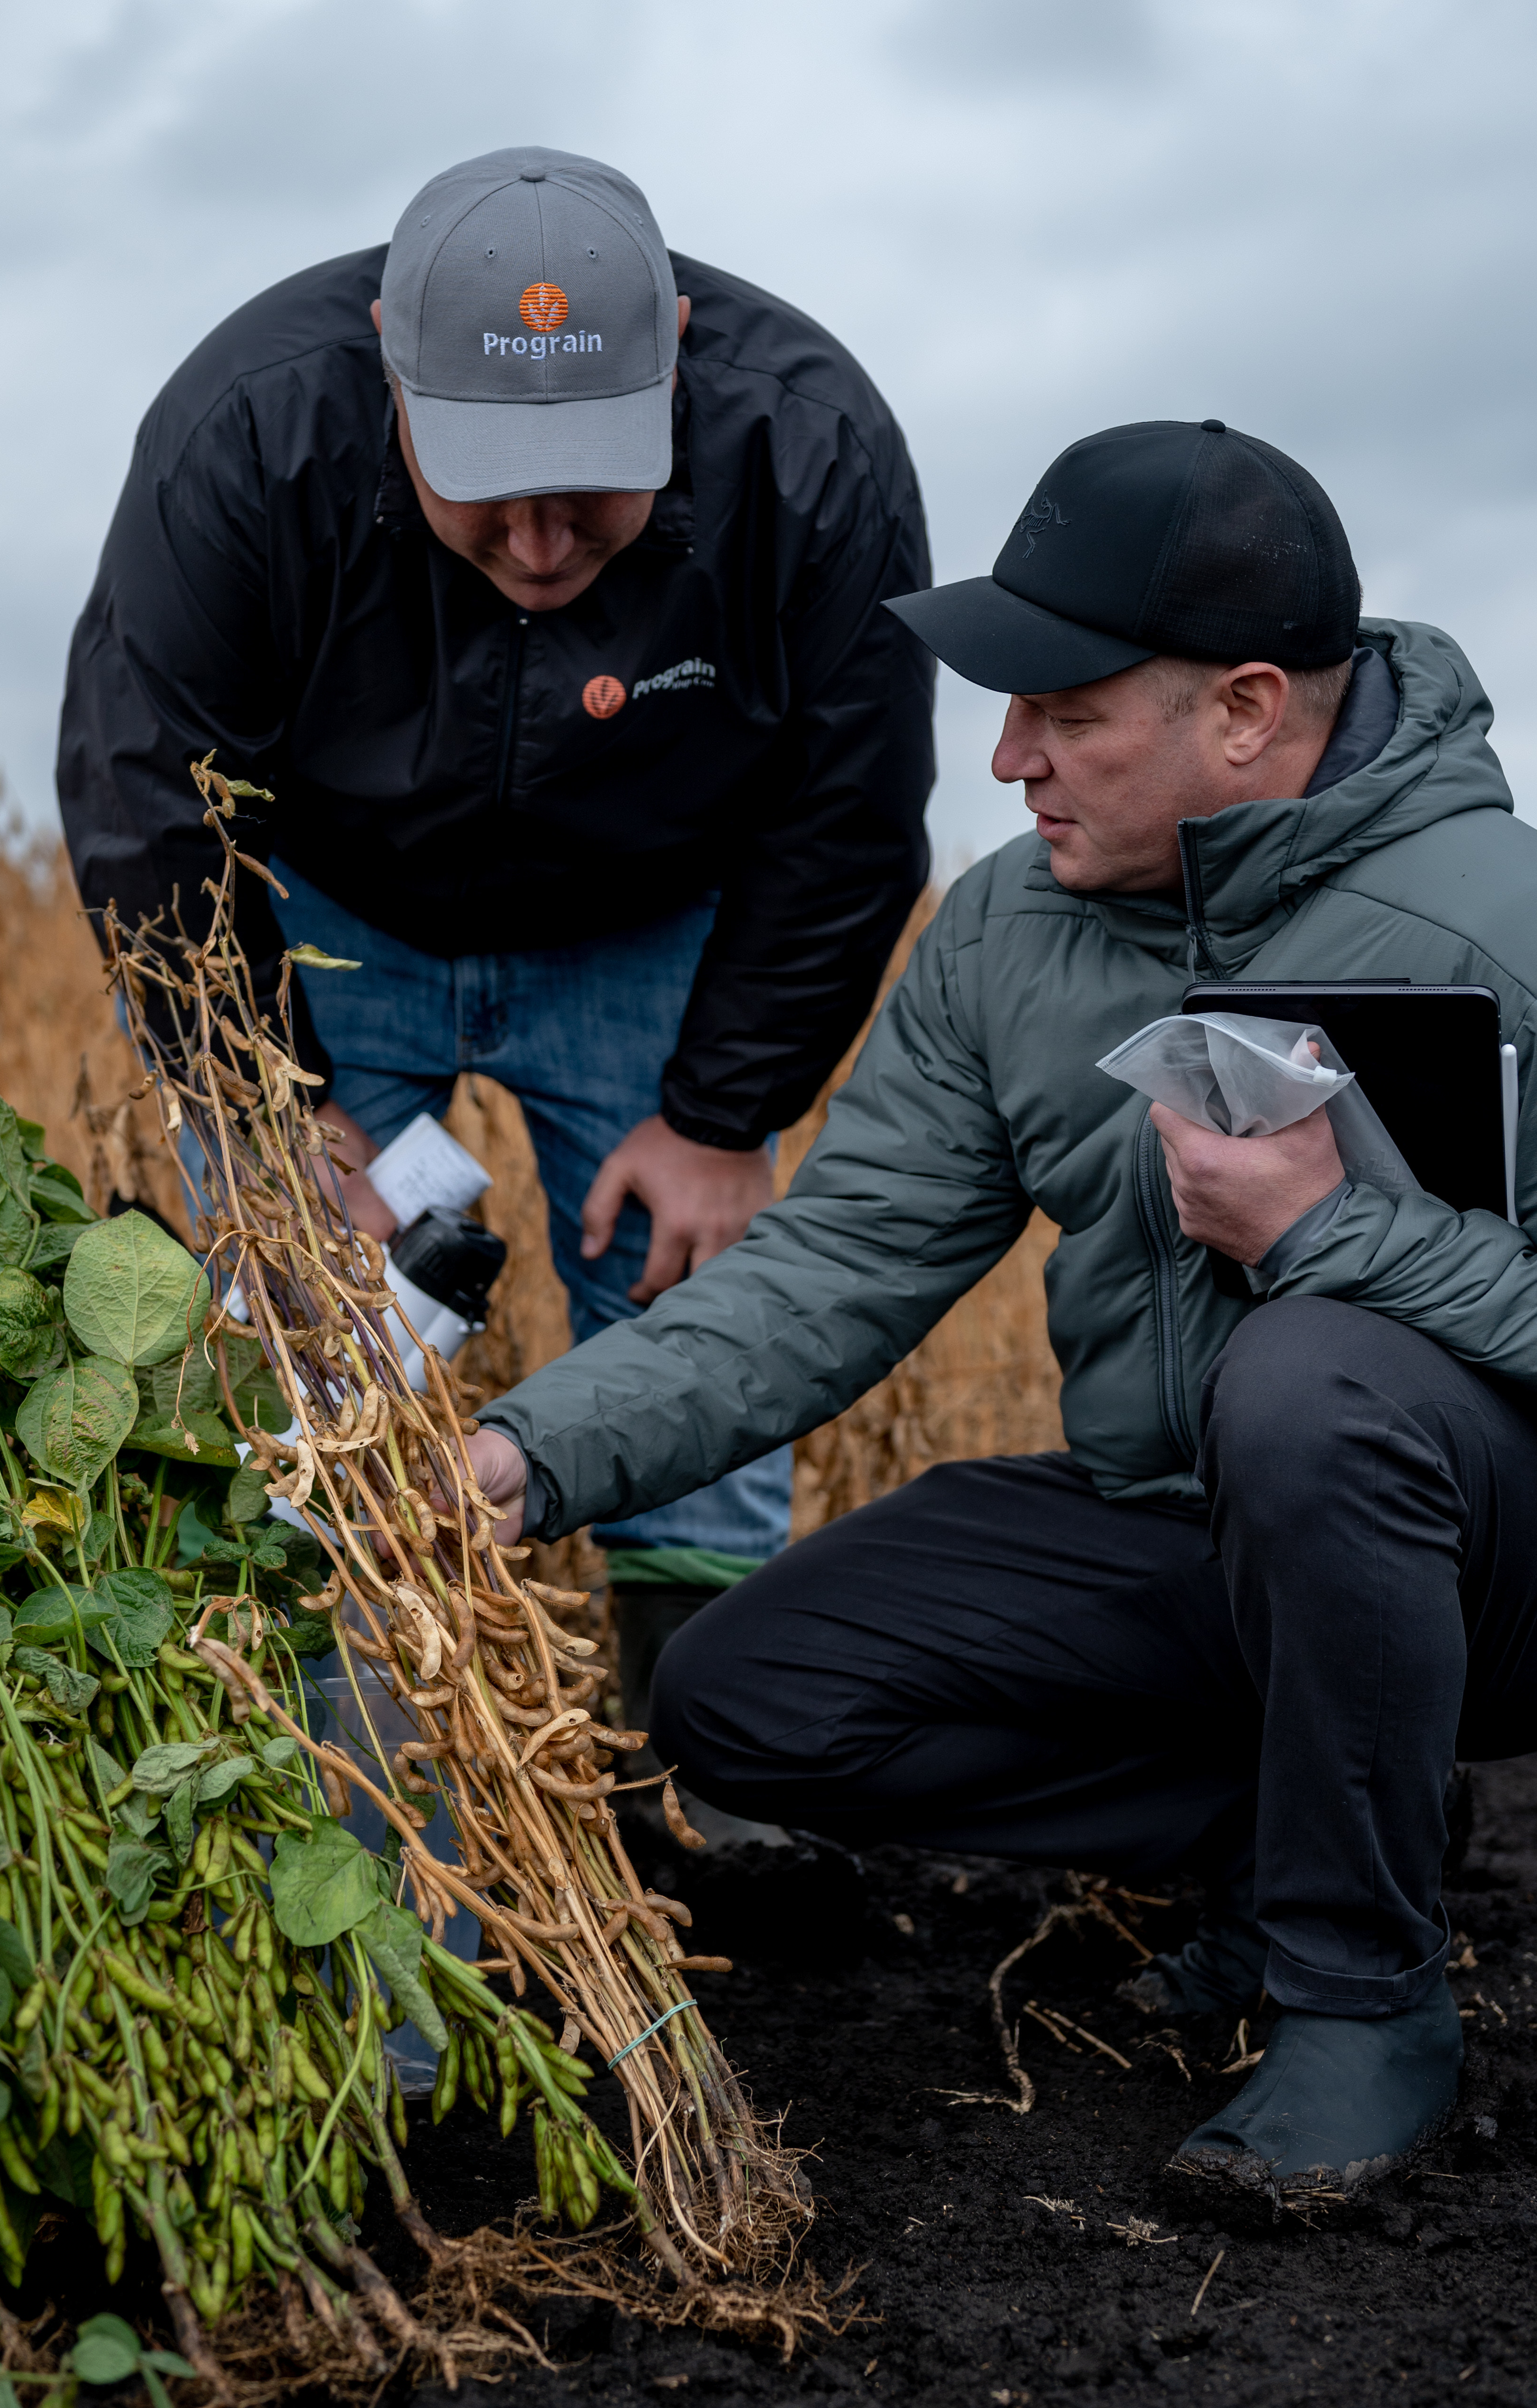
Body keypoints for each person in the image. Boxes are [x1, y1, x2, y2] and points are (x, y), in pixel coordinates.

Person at [463, 414, 1537, 2198]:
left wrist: (1332, 1237)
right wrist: (526, 1450)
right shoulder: (1000, 933)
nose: (1009, 756)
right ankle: (1304, 1822)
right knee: (748, 1701)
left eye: (1067, 712)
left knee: (1311, 1380)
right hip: (1188, 1538)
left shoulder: (1501, 927)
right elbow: (841, 1259)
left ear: (1246, 710)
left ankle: (1362, 2004)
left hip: (1491, 1564)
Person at [55, 143, 934, 1763]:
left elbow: (854, 813)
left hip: (649, 919)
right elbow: (142, 786)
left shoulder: (811, 454)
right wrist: (263, 1107)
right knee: (311, 1322)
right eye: (490, 482)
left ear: (674, 353)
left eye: (591, 481)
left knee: (691, 1307)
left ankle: (703, 1779)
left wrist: (725, 1115)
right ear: (388, 360)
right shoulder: (244, 431)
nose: (540, 542)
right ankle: (339, 1749)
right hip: (331, 919)